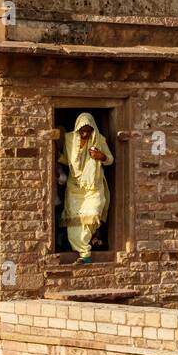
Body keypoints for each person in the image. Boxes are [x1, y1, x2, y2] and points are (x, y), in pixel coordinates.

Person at [57, 112, 114, 264]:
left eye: (88, 131)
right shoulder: (69, 139)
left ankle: (85, 248)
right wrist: (54, 154)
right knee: (75, 221)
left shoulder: (99, 139)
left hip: (93, 186)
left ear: (92, 130)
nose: (85, 134)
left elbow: (110, 160)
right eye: (82, 131)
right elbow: (65, 159)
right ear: (77, 130)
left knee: (93, 212)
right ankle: (84, 254)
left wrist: (100, 156)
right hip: (74, 186)